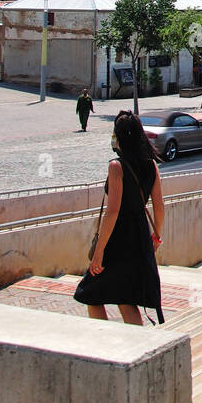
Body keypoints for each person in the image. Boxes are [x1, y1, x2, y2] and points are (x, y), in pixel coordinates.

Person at [73, 110, 165, 324]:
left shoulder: (117, 167)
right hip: (140, 238)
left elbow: (112, 212)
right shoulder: (151, 165)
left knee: (90, 293)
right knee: (126, 299)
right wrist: (157, 236)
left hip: (118, 238)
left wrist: (99, 251)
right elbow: (159, 206)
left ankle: (104, 342)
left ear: (119, 137)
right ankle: (136, 349)